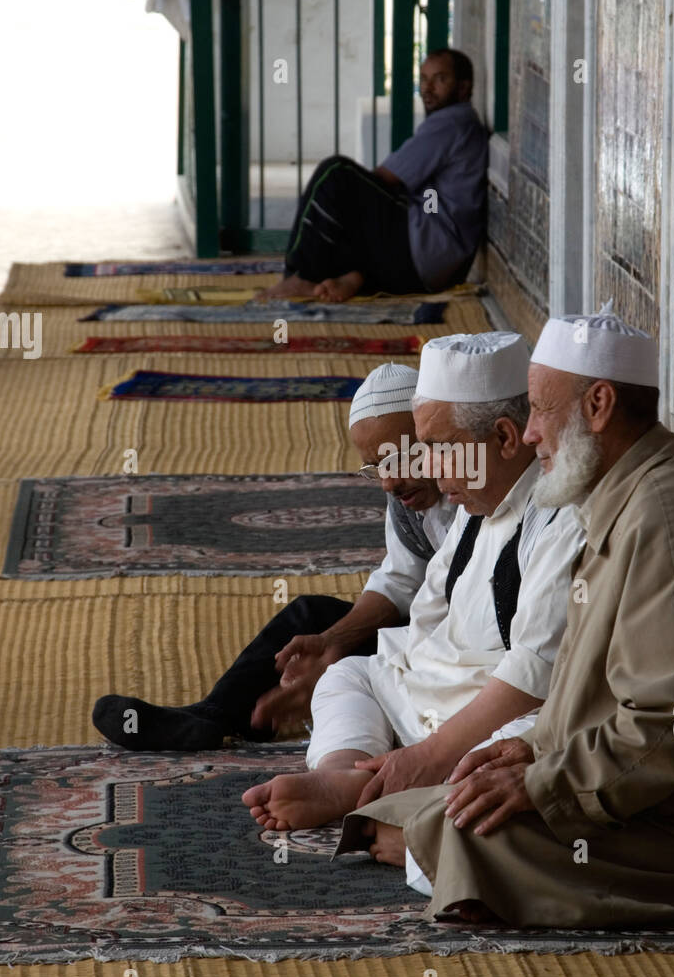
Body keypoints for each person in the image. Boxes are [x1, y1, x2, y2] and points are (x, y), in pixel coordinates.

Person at [337, 305, 674, 937]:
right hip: (644, 793)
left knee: (466, 833)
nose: (532, 434)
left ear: (597, 405)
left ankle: (452, 857)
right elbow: (597, 693)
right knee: (439, 806)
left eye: (541, 410)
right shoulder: (623, 501)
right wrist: (532, 748)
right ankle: (439, 847)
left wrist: (546, 781)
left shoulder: (667, 521)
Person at [242, 331, 585, 833]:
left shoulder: (558, 519)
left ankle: (395, 793)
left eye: (437, 449)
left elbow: (534, 674)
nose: (424, 467)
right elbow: (423, 610)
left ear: (507, 439)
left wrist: (428, 750)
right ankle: (347, 776)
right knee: (350, 675)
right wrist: (403, 677)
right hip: (437, 694)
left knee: (531, 745)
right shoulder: (474, 504)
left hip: (493, 712)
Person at [91, 364, 454, 752]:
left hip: (463, 649)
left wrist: (345, 657)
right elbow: (400, 580)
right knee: (311, 618)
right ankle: (213, 716)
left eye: (397, 460)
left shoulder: (474, 493)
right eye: (375, 468)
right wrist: (332, 641)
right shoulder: (409, 489)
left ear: (435, 440)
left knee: (353, 660)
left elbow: (471, 623)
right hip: (430, 629)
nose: (389, 483)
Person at [256, 49, 488, 304]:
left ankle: (299, 276)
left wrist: (356, 201)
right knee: (360, 209)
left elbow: (385, 178)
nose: (428, 88)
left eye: (440, 79)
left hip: (424, 253)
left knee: (336, 174)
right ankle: (355, 276)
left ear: (464, 87)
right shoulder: (463, 123)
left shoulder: (451, 123)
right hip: (434, 270)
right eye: (423, 79)